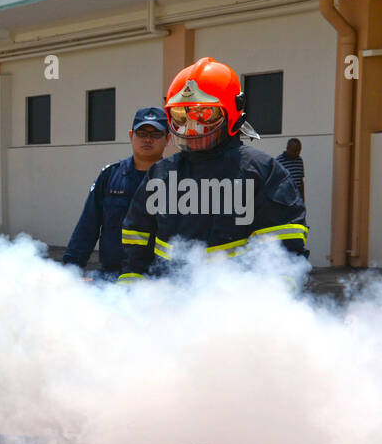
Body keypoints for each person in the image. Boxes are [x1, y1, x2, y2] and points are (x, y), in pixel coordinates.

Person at [119, 57, 308, 282]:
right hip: (167, 306)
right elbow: (136, 253)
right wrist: (132, 301)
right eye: (181, 116)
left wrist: (266, 311)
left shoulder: (262, 173)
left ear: (231, 112)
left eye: (204, 115)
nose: (192, 128)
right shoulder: (160, 175)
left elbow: (284, 260)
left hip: (233, 308)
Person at [61, 107, 169, 280]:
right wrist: (69, 271)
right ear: (130, 136)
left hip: (154, 281)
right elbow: (88, 225)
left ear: (168, 139)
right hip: (111, 276)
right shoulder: (110, 175)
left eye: (156, 134)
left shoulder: (175, 181)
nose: (148, 139)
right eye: (141, 133)